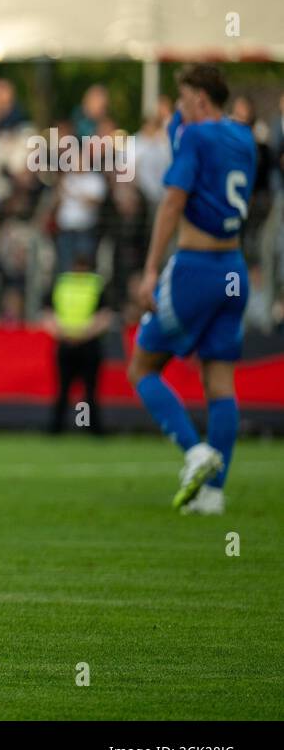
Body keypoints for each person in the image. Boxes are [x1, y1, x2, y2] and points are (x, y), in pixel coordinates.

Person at [128, 64, 257, 515]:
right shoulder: (243, 136)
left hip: (195, 269)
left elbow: (173, 201)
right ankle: (214, 494)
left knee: (142, 367)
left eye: (184, 99)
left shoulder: (197, 137)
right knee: (220, 381)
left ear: (200, 98)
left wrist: (149, 269)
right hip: (234, 268)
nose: (179, 107)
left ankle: (194, 451)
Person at [44, 254, 112, 434]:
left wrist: (83, 334)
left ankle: (86, 426)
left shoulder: (94, 285)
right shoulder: (64, 284)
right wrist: (62, 332)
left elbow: (105, 316)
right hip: (67, 343)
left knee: (88, 391)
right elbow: (48, 313)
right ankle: (59, 428)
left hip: (88, 344)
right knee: (64, 390)